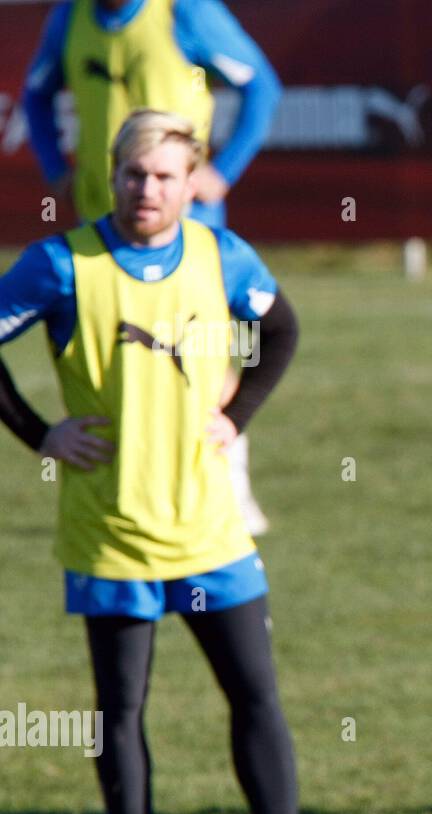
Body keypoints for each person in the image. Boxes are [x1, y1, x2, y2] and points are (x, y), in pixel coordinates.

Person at [0, 110, 366, 814]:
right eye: (134, 174)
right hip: (112, 533)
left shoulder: (219, 254)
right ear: (111, 173)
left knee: (257, 696)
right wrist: (41, 435)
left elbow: (280, 329)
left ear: (190, 180)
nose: (147, 190)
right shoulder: (63, 263)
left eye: (165, 176)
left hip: (209, 529)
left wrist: (237, 417)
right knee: (121, 709)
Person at [23, 0, 286, 535]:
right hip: (103, 227)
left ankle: (229, 477)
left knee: (207, 349)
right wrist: (55, 168)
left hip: (185, 226)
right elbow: (35, 91)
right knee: (125, 356)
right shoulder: (71, 17)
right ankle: (135, 486)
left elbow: (262, 85)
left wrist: (223, 170)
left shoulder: (184, 11)